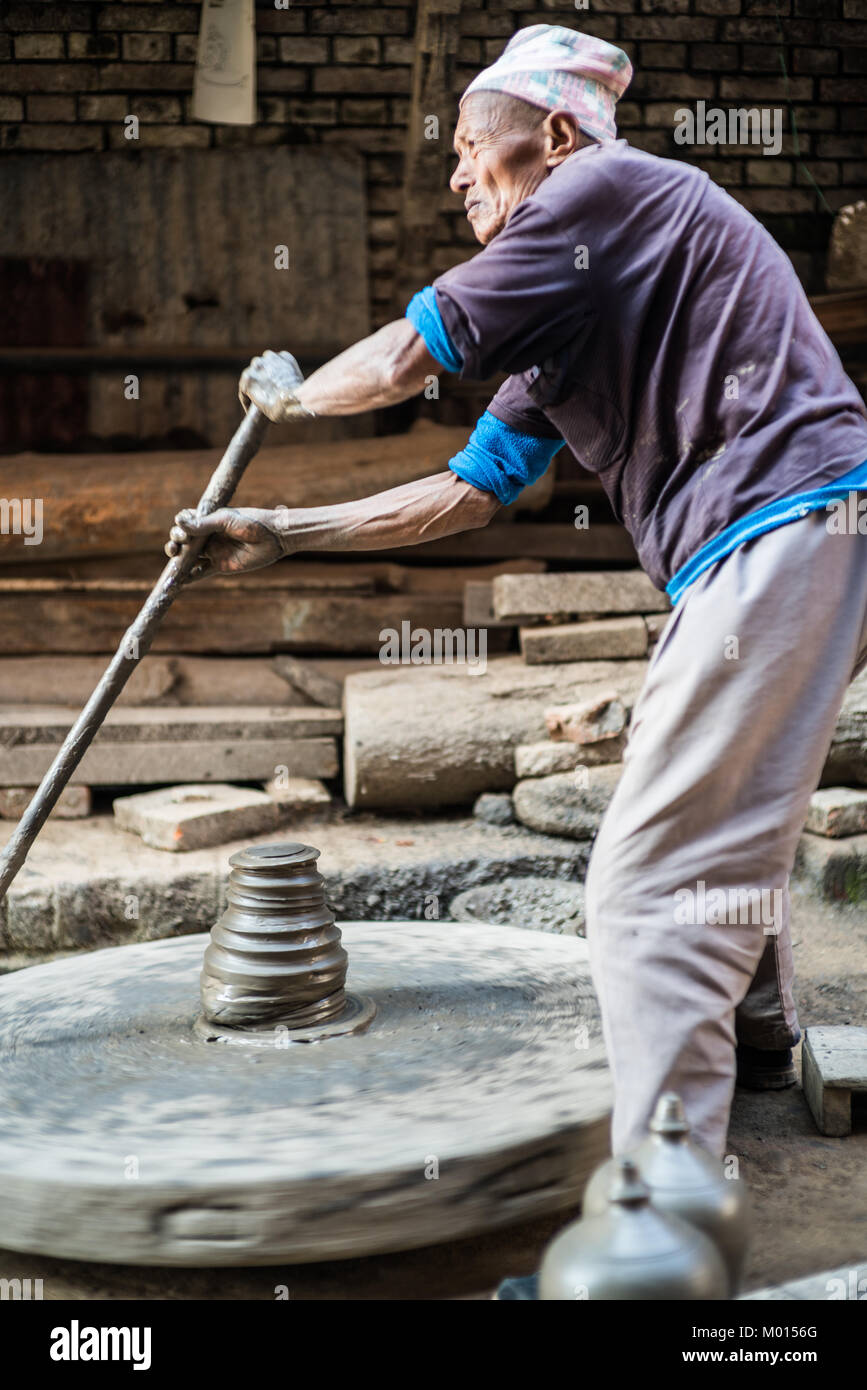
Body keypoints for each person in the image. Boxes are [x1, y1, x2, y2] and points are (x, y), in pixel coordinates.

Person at [167, 26, 867, 1157]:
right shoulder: (574, 291)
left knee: (642, 894)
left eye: (466, 147)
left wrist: (290, 399)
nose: (453, 176)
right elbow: (468, 489)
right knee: (714, 802)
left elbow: (408, 357)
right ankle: (761, 1034)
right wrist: (283, 533)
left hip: (784, 524)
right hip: (799, 535)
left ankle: (663, 1212)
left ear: (549, 135)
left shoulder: (601, 192)